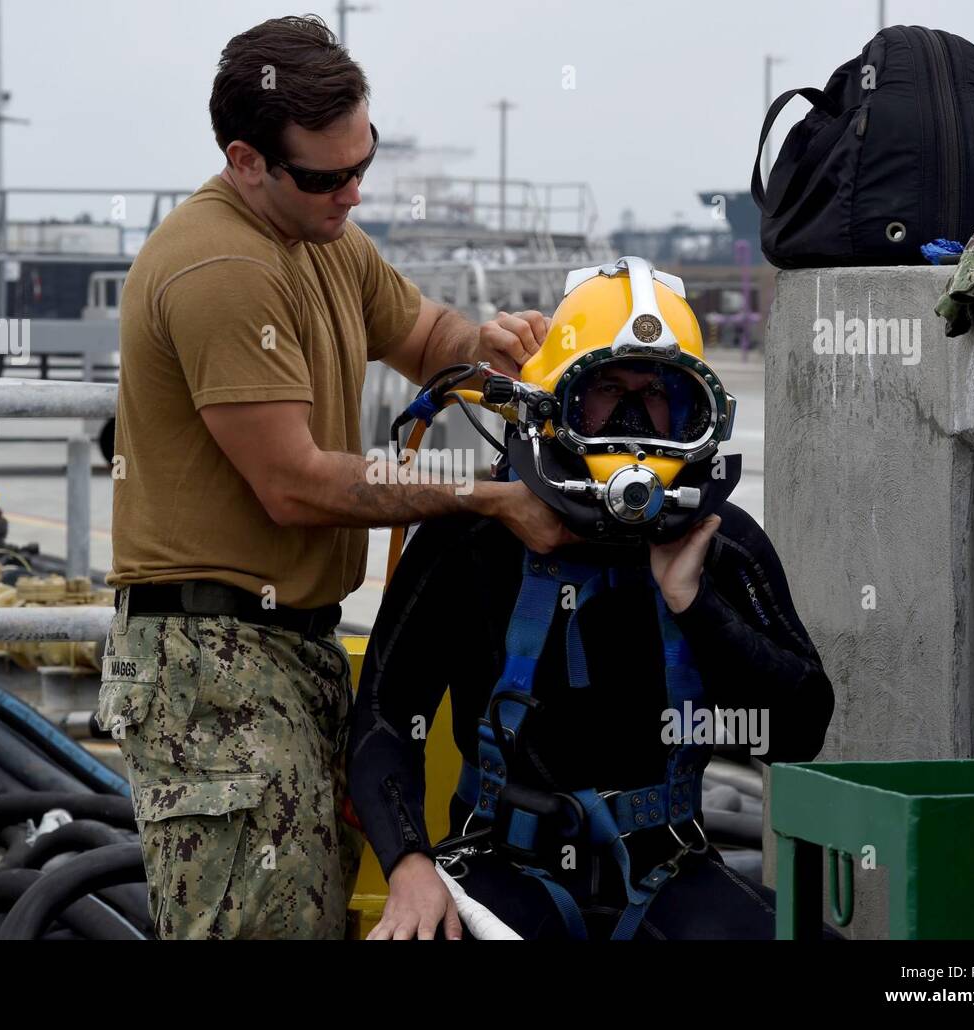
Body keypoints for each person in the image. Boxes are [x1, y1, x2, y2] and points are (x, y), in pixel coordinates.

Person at [96, 14, 571, 940]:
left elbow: (424, 337)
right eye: (327, 176)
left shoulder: (322, 234)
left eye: (365, 163)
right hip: (214, 667)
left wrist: (489, 344)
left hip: (290, 650)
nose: (353, 192)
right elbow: (298, 484)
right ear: (246, 162)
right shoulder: (223, 266)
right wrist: (490, 497)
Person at [347, 256, 838, 940]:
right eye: (607, 389)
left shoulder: (720, 541)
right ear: (556, 400)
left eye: (659, 392)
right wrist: (408, 864)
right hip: (500, 863)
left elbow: (798, 729)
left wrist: (695, 603)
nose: (635, 413)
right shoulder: (474, 536)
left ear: (697, 410)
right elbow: (383, 716)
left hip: (668, 865)